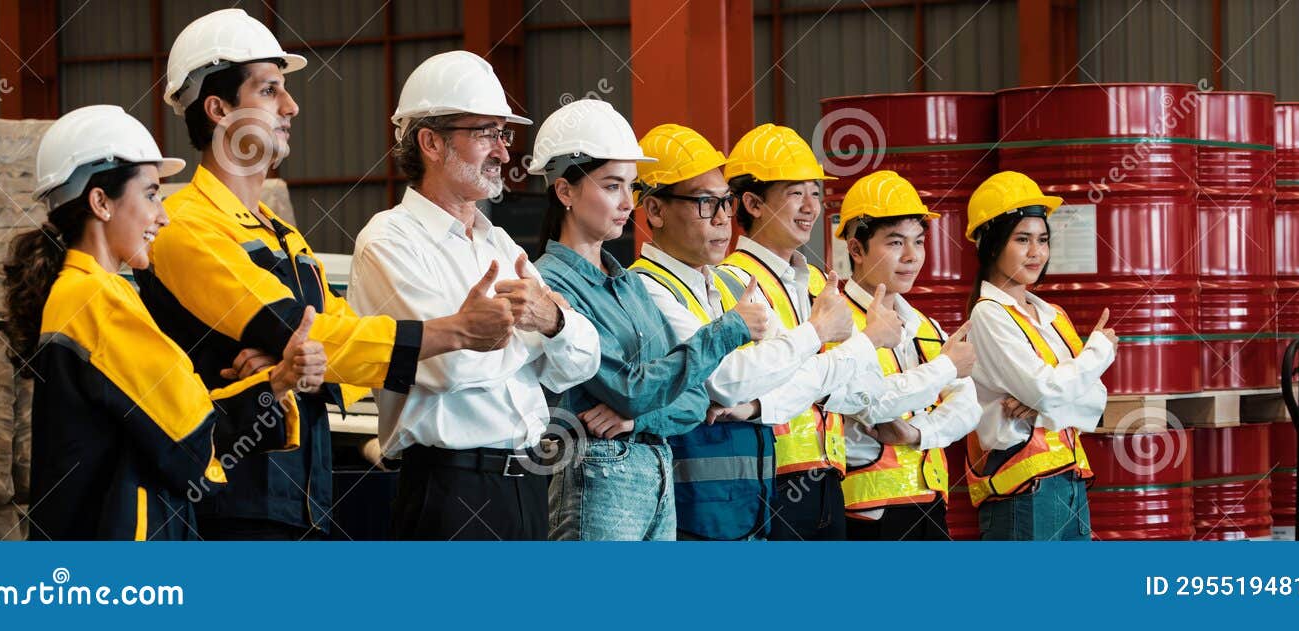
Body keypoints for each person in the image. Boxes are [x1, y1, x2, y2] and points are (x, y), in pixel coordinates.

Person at [137, 9, 512, 540]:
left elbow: (343, 345)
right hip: (229, 505)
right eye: (270, 91)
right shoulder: (188, 229)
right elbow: (310, 333)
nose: (292, 106)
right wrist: (455, 330)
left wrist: (306, 357)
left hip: (303, 499)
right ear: (218, 109)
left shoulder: (284, 237)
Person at [6, 105, 325, 540]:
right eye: (152, 194)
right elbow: (190, 432)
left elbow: (169, 413)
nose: (164, 215)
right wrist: (273, 387)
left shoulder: (78, 293)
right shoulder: (97, 299)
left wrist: (272, 383)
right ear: (101, 202)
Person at [348, 51, 601, 541]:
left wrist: (551, 321)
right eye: (487, 133)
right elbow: (448, 366)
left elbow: (580, 363)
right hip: (450, 490)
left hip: (526, 487)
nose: (505, 153)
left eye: (503, 135)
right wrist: (532, 340)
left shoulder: (499, 244)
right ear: (431, 142)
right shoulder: (388, 242)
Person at [531, 100, 772, 540]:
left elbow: (695, 401)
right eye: (610, 186)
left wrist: (637, 419)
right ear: (564, 191)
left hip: (655, 470)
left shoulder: (627, 284)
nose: (627, 203)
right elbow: (631, 388)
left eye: (630, 187)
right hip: (595, 477)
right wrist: (729, 329)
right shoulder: (550, 284)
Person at [718, 123, 901, 540]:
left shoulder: (821, 282)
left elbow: (863, 388)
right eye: (796, 193)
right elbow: (760, 382)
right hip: (770, 478)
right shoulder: (732, 281)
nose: (811, 207)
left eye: (816, 193)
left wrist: (816, 377)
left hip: (828, 479)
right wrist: (852, 351)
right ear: (753, 202)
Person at [963, 170, 1116, 541]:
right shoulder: (988, 315)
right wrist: (1100, 351)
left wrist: (1041, 407)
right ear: (992, 243)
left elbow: (1096, 400)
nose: (1037, 252)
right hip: (1022, 493)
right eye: (1023, 240)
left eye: (1043, 240)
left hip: (1070, 482)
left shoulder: (1052, 315)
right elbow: (1049, 389)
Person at [831, 170, 982, 541]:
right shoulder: (837, 322)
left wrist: (918, 432)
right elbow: (870, 401)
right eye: (896, 243)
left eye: (918, 241)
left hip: (929, 502)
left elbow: (968, 407)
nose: (912, 257)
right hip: (867, 515)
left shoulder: (925, 326)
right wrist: (944, 368)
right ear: (856, 249)